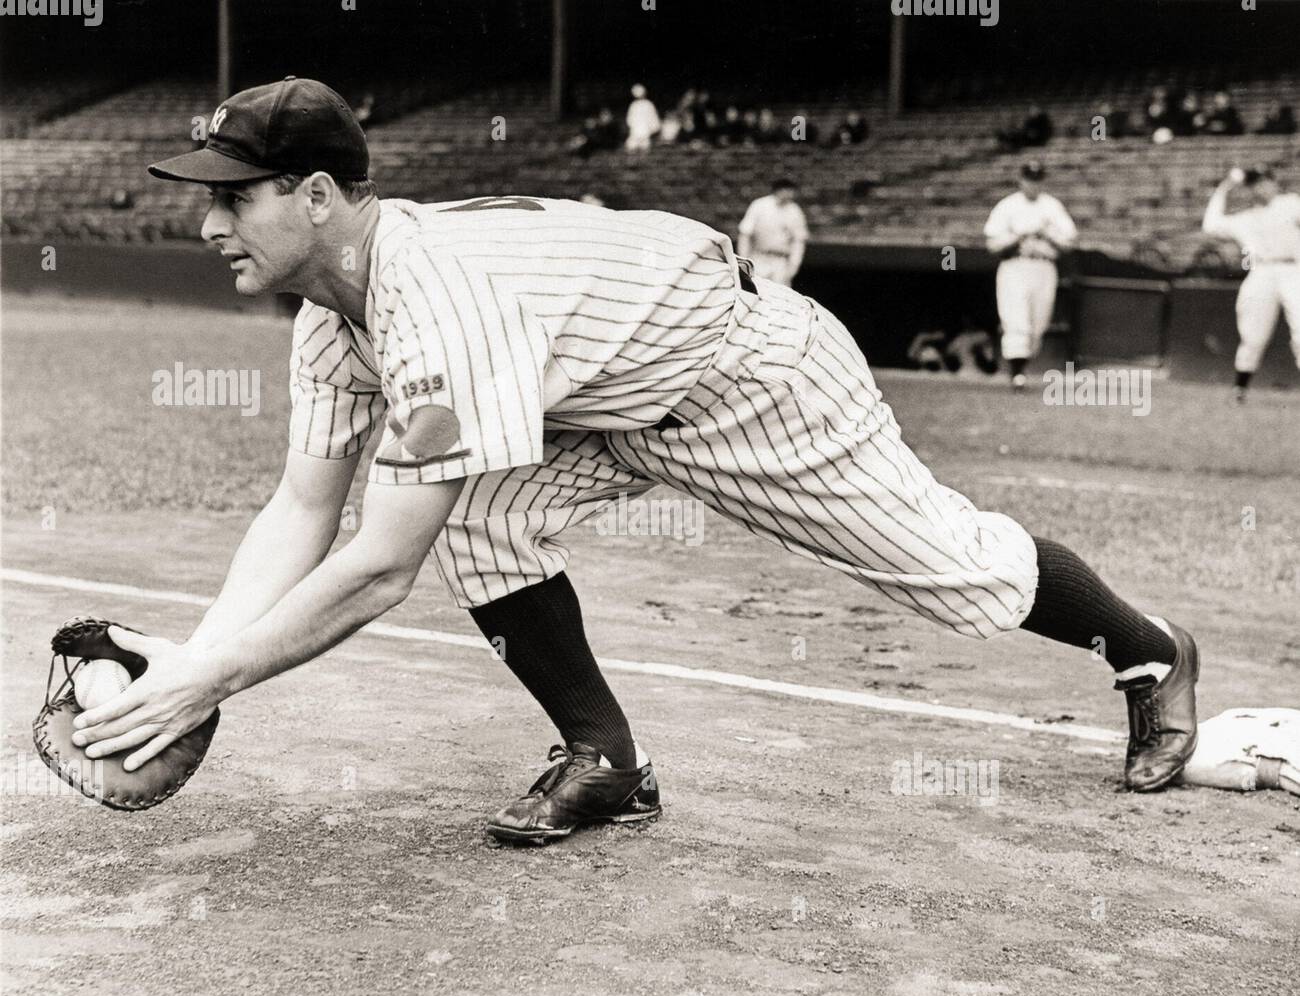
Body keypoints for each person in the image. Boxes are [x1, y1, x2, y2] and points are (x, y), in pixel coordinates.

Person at [73, 78, 1203, 848]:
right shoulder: (333, 315)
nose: (208, 224)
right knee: (475, 517)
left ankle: (1149, 651)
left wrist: (207, 683)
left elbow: (377, 568)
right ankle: (606, 759)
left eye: (232, 196)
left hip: (742, 375)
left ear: (317, 195)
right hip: (596, 400)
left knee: (955, 577)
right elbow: (300, 507)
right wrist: (196, 657)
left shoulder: (432, 302)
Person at [1201, 166, 1300, 403]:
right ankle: (1240, 389)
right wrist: (1225, 186)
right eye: (1255, 184)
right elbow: (1210, 224)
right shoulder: (1244, 218)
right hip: (1260, 272)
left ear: (1274, 184)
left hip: (1292, 269)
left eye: (1265, 181)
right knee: (1253, 334)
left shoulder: (1290, 203)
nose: (1261, 187)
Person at [984, 161, 1077, 389]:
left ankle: (1021, 367)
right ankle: (1017, 373)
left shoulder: (1052, 207)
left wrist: (1046, 233)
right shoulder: (1008, 206)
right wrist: (1018, 236)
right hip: (1016, 265)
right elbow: (992, 244)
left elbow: (1069, 242)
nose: (1033, 184)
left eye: (1037, 180)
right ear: (1021, 180)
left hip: (1043, 267)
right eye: (1029, 179)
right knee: (1016, 320)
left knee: (1038, 325)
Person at [736, 177, 809, 286]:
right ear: (779, 190)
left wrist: (793, 265)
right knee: (756, 291)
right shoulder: (759, 205)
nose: (789, 194)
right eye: (786, 190)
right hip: (759, 258)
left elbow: (798, 241)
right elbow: (745, 234)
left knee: (780, 296)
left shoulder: (795, 211)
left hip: (781, 261)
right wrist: (744, 260)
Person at [624, 83, 660, 153]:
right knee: (631, 148)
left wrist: (651, 131)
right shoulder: (634, 105)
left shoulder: (648, 104)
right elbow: (630, 120)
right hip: (636, 133)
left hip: (645, 134)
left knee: (643, 149)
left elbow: (629, 121)